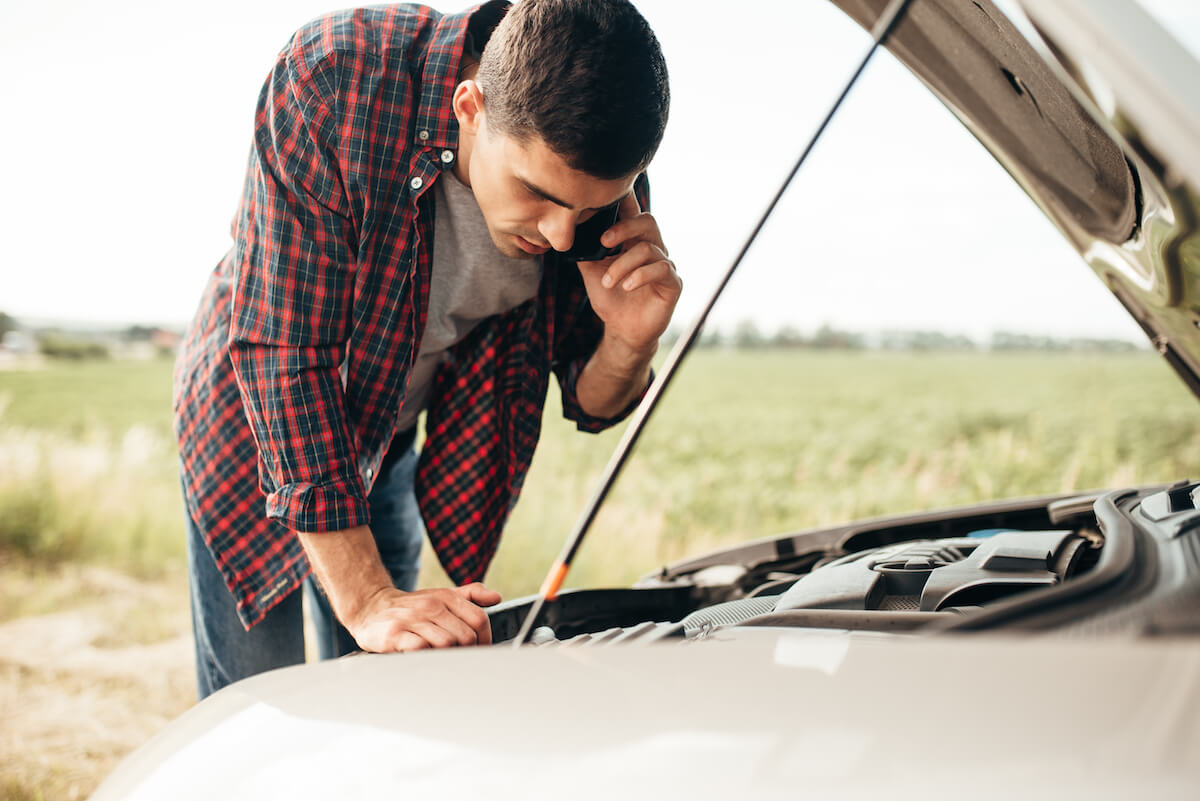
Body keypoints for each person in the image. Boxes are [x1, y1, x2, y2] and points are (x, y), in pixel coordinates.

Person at [173, 0, 678, 699]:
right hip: (258, 431)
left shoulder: (597, 180)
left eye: (586, 211)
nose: (563, 236)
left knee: (382, 700)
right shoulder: (333, 79)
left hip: (389, 444)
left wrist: (629, 340)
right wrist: (367, 597)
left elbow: (592, 403)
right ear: (469, 106)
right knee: (261, 707)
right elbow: (284, 352)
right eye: (535, 193)